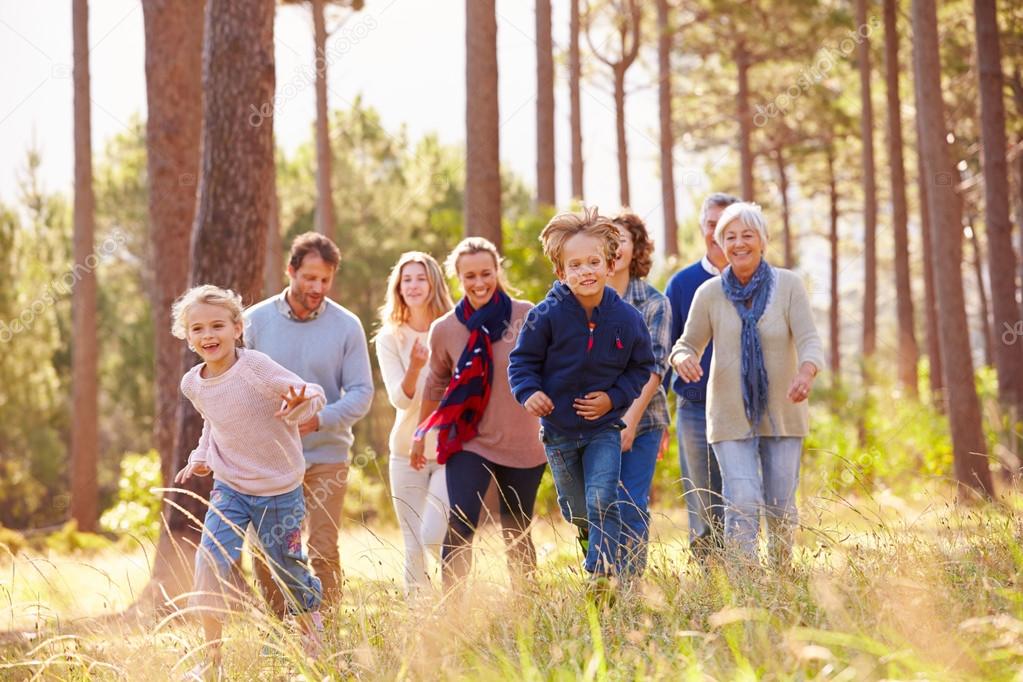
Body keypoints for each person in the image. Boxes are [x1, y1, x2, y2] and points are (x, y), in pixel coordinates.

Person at [170, 285, 326, 677]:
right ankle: (212, 662)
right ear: (187, 337)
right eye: (198, 329)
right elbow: (213, 422)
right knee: (208, 561)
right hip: (230, 488)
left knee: (288, 568)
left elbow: (313, 393)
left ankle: (312, 641)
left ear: (238, 328)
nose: (209, 336)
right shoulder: (193, 383)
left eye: (218, 326)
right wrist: (201, 457)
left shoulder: (255, 366)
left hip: (279, 489)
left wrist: (300, 403)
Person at [670, 202, 824, 566]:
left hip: (784, 412)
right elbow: (685, 344)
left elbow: (809, 340)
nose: (739, 243)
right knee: (741, 498)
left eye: (747, 235)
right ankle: (746, 583)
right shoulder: (709, 293)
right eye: (730, 237)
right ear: (721, 244)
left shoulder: (788, 286)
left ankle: (782, 574)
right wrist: (682, 359)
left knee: (781, 506)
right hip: (728, 414)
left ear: (763, 241)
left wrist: (805, 372)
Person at [509, 208, 654, 582]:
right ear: (561, 272)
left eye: (594, 262)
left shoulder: (628, 319)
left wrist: (614, 398)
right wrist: (530, 393)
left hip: (603, 428)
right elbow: (521, 363)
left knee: (602, 499)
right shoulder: (546, 317)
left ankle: (601, 573)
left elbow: (641, 367)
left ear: (610, 265)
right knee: (577, 510)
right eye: (575, 265)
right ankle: (594, 540)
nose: (585, 271)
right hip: (558, 432)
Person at [244, 232, 374, 612]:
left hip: (325, 457)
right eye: (309, 278)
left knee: (322, 548)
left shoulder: (346, 325)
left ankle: (326, 632)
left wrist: (319, 419)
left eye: (325, 279)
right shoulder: (254, 322)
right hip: (268, 458)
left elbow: (361, 392)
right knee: (268, 549)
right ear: (291, 271)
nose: (317, 287)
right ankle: (281, 631)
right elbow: (240, 386)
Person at [411, 237, 547, 591]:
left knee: (517, 526)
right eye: (469, 276)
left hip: (523, 441)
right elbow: (435, 384)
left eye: (486, 273)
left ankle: (527, 600)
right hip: (469, 440)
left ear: (497, 271)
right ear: (458, 277)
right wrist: (419, 435)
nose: (479, 282)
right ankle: (453, 607)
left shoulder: (526, 314)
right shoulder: (445, 329)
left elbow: (548, 367)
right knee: (461, 522)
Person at [664, 192, 738, 564]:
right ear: (702, 228)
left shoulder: (759, 281)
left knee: (743, 491)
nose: (718, 233)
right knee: (702, 495)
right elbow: (664, 350)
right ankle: (710, 576)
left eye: (727, 225)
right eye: (712, 224)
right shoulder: (681, 284)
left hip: (745, 405)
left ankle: (747, 570)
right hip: (694, 407)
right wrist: (659, 417)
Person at [374, 252, 454, 595]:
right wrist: (414, 368)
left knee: (436, 535)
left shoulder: (453, 328)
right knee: (412, 542)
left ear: (433, 283)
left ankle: (460, 603)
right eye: (407, 279)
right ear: (398, 287)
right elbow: (400, 399)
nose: (414, 285)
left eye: (421, 278)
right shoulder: (390, 338)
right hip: (405, 451)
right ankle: (418, 617)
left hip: (451, 451)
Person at [607, 211, 672, 577]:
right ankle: (602, 581)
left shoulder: (653, 302)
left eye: (623, 241)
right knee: (598, 504)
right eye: (608, 241)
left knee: (630, 502)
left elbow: (655, 367)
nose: (615, 249)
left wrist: (628, 422)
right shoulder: (584, 297)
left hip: (643, 420)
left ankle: (630, 587)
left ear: (636, 249)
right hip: (593, 420)